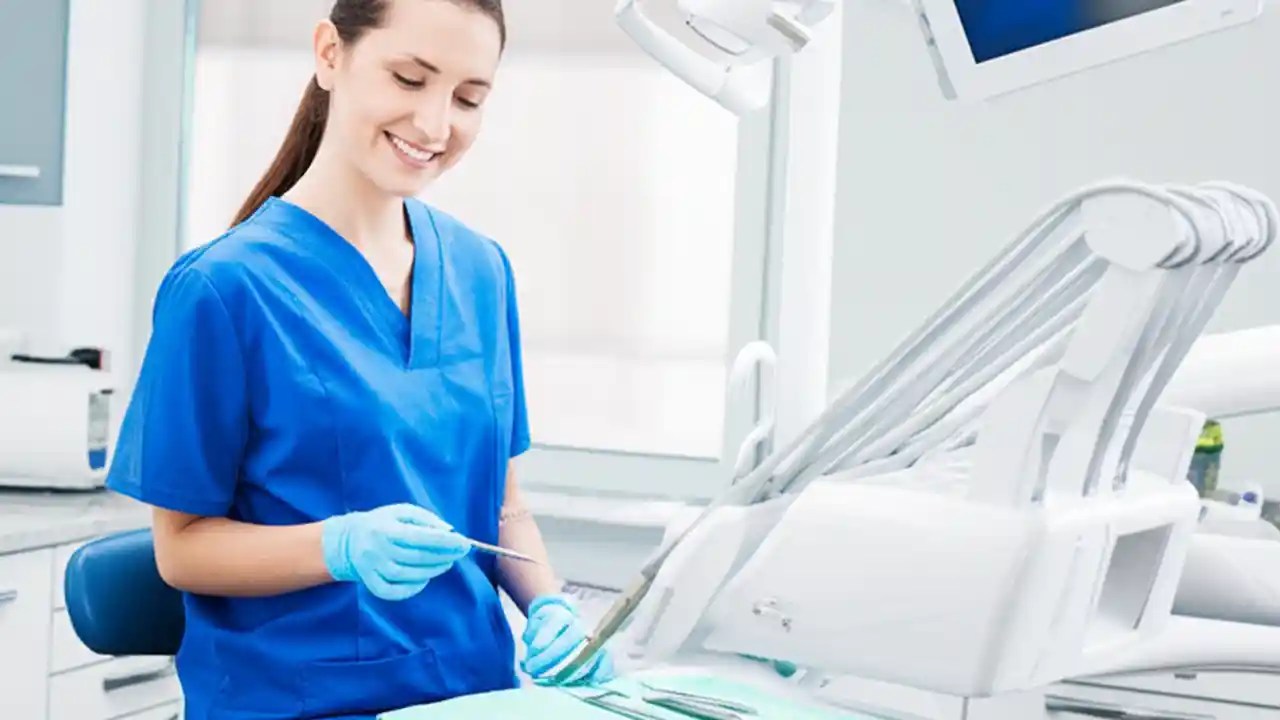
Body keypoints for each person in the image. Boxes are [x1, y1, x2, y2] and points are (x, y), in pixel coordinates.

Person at [106, 1, 615, 718]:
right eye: (410, 79)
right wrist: (337, 547)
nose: (437, 125)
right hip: (296, 700)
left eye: (469, 98)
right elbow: (182, 550)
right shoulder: (223, 291)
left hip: (469, 696)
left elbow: (503, 510)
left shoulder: (481, 271)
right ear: (329, 55)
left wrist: (551, 608)